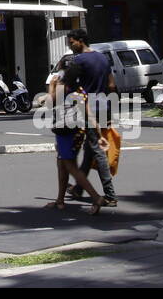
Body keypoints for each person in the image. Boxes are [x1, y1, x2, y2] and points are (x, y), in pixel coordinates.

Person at [63, 30, 118, 207]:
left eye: (72, 43)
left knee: (97, 149)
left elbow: (68, 85)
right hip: (104, 104)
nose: (70, 46)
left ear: (80, 41)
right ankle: (79, 188)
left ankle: (110, 194)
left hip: (88, 108)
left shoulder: (78, 60)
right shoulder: (103, 58)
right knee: (90, 149)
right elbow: (111, 84)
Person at [45, 62, 104, 215]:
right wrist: (99, 133)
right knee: (61, 164)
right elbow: (89, 114)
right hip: (77, 132)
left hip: (64, 133)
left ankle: (96, 197)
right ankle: (60, 201)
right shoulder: (80, 91)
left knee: (71, 167)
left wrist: (51, 86)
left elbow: (49, 104)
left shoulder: (61, 88)